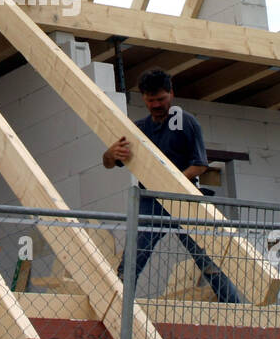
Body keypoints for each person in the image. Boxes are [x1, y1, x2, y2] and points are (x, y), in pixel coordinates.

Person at [102, 69, 242, 303]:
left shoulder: (187, 123)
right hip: (149, 202)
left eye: (161, 99)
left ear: (171, 95)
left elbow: (199, 165)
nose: (156, 104)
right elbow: (109, 163)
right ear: (144, 98)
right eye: (150, 100)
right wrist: (110, 153)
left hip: (184, 200)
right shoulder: (138, 131)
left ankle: (236, 309)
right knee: (132, 260)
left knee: (207, 261)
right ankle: (121, 312)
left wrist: (171, 183)